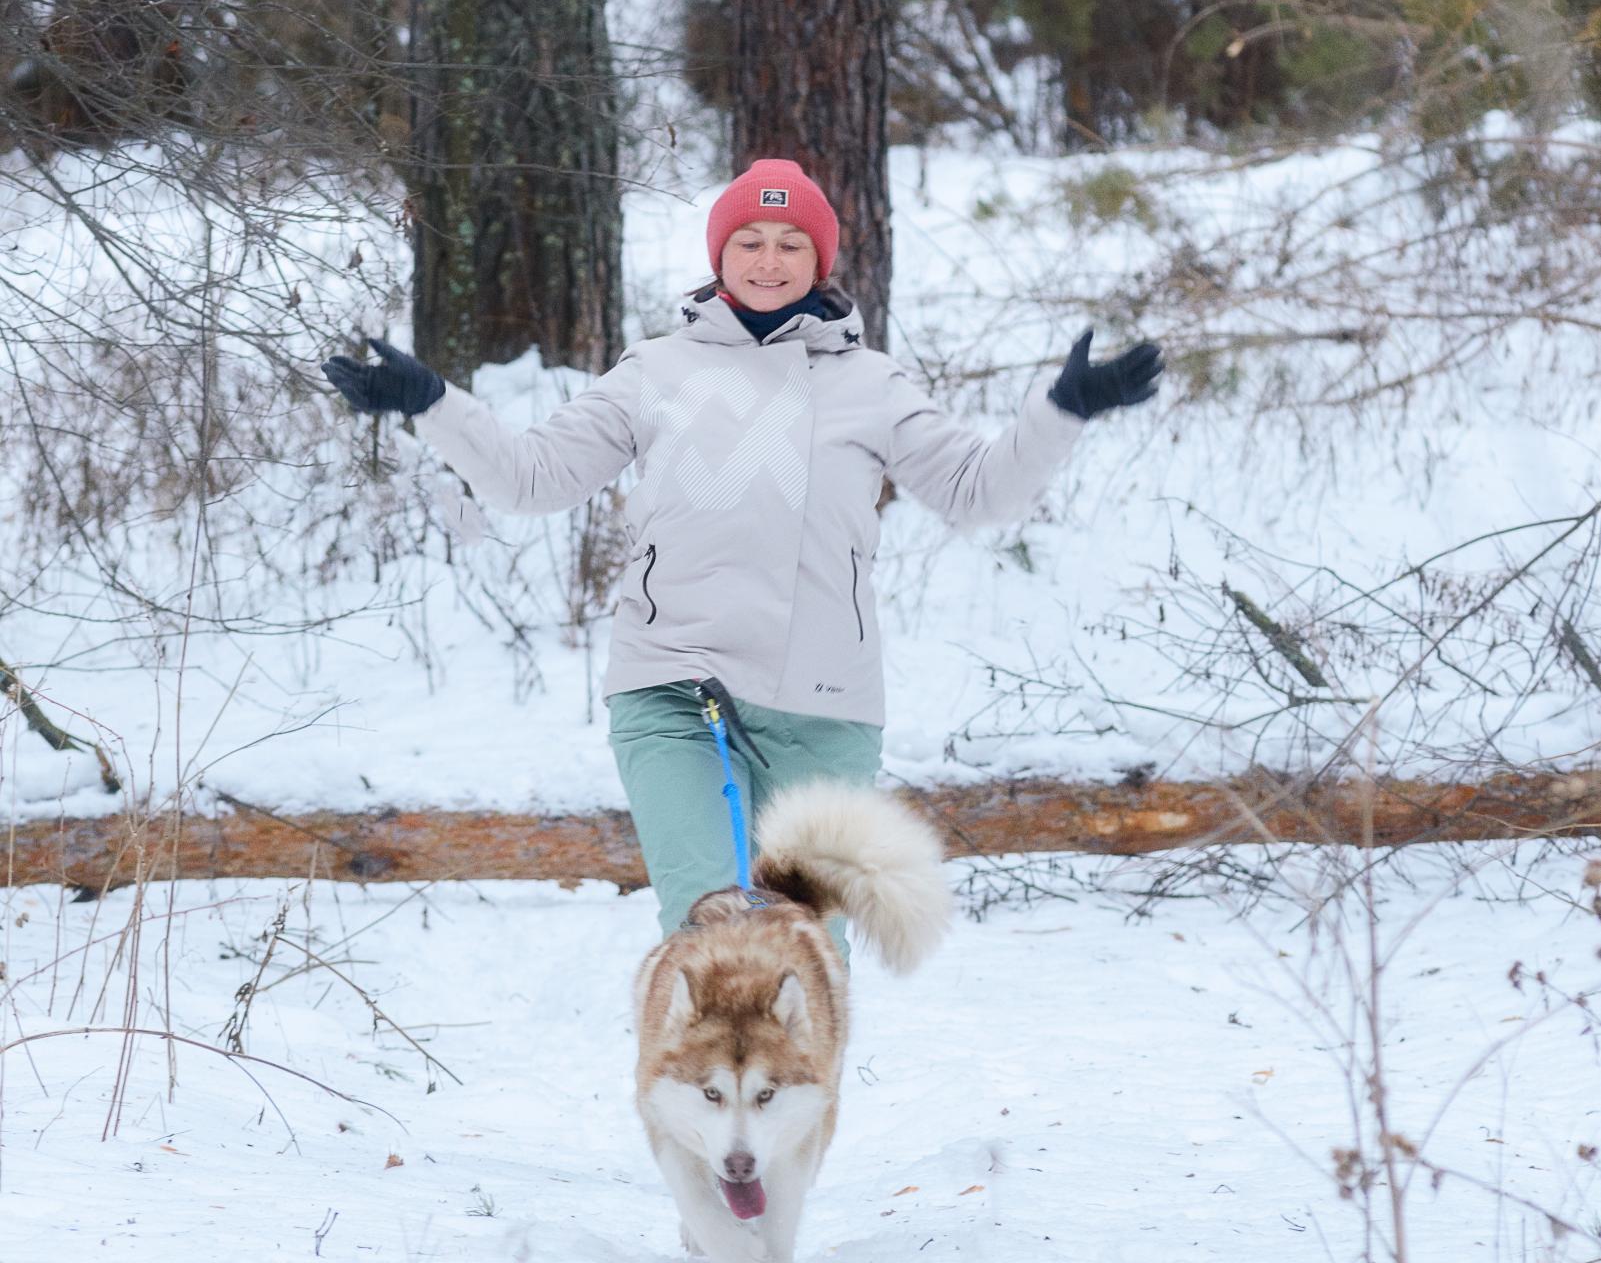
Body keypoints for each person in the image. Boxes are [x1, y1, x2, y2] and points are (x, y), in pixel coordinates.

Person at [322, 157, 1162, 939]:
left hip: (822, 704)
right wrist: (433, 403)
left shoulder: (872, 385)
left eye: (791, 242)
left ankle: (803, 1099)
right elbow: (531, 480)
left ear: (819, 260)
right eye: (749, 242)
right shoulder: (653, 371)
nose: (769, 260)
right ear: (720, 257)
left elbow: (979, 495)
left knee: (801, 950)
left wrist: (1063, 411)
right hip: (675, 687)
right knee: (711, 940)